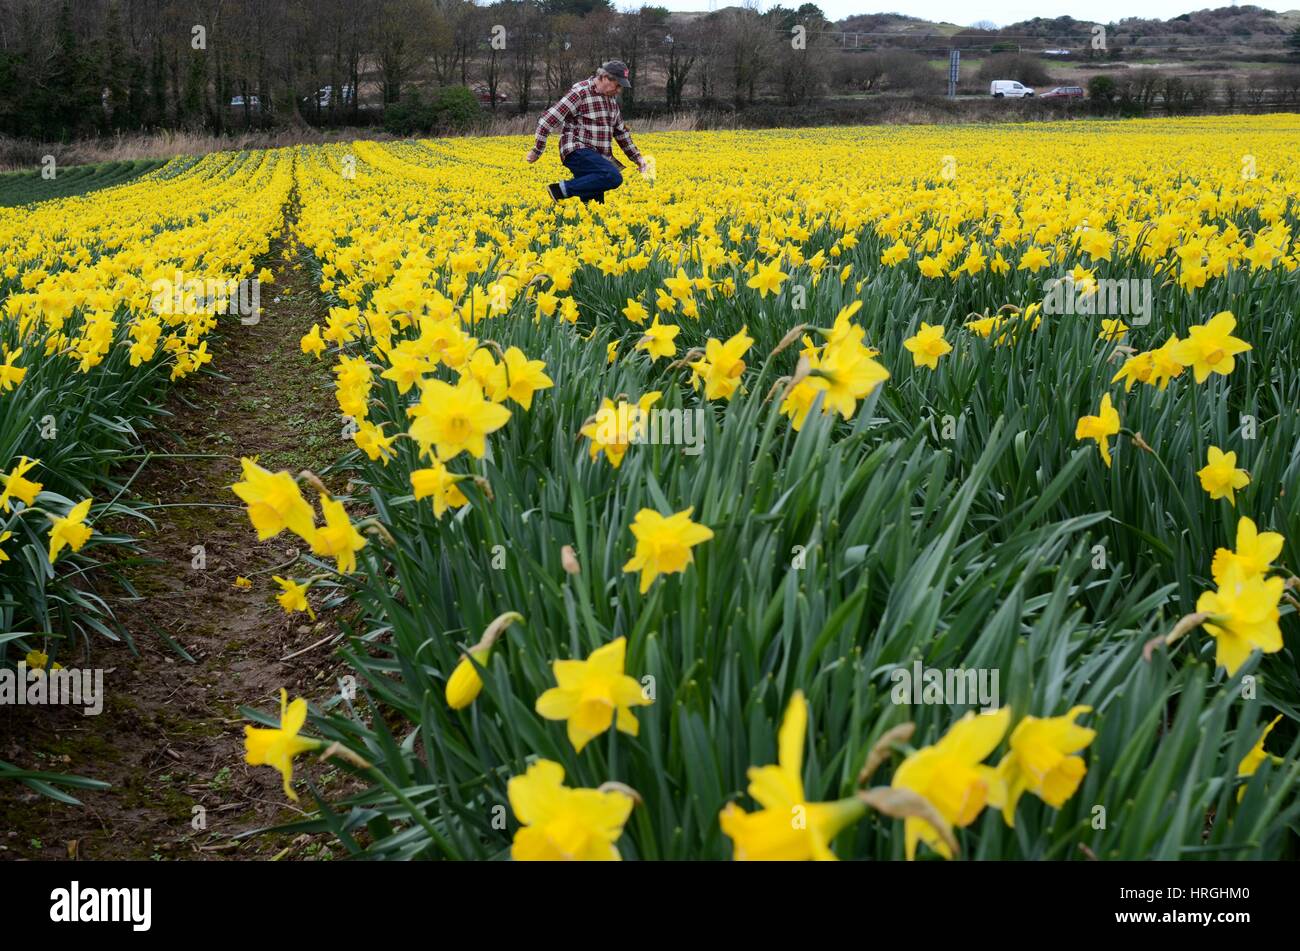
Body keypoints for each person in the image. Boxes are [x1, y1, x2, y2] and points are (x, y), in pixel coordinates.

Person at [525, 60, 647, 204]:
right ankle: (559, 190)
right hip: (577, 150)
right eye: (618, 85)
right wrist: (537, 150)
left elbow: (621, 133)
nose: (619, 90)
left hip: (598, 156)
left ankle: (585, 218)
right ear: (605, 78)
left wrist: (637, 158)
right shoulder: (580, 93)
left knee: (594, 208)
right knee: (612, 176)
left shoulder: (612, 101)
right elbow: (548, 120)